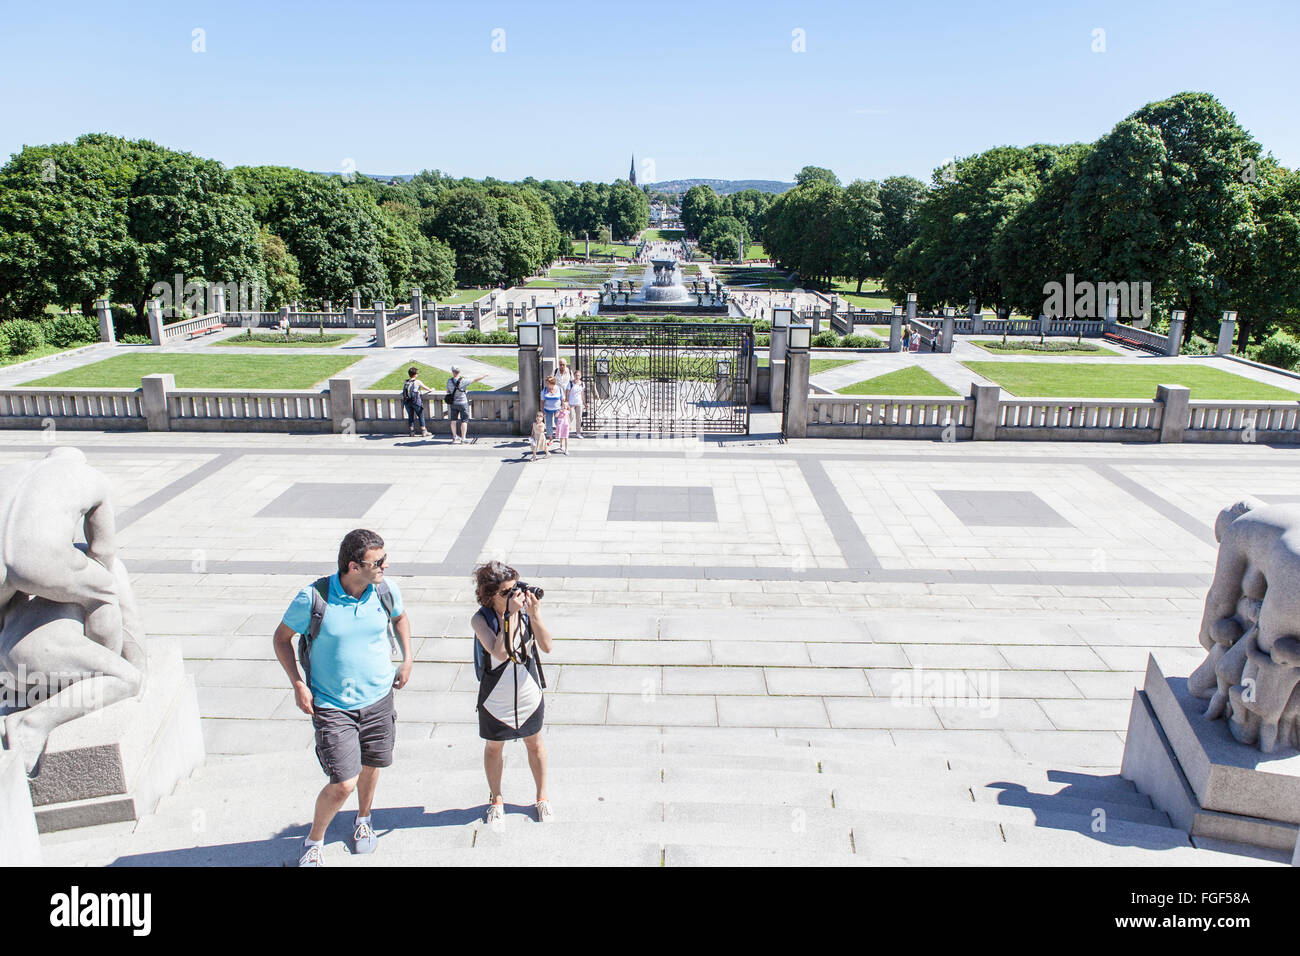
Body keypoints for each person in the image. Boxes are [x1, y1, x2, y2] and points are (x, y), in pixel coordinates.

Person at [272, 529, 413, 867]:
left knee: (371, 765)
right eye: (378, 562)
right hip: (333, 705)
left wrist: (408, 658)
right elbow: (281, 638)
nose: (385, 566)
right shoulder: (313, 598)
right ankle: (314, 840)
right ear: (353, 566)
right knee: (343, 783)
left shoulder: (384, 590)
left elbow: (400, 618)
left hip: (379, 698)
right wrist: (298, 684)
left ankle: (363, 820)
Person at [470, 561, 554, 823]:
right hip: (496, 698)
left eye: (515, 588)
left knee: (535, 744)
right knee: (494, 748)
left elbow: (547, 646)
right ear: (490, 595)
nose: (514, 595)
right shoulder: (480, 619)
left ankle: (542, 797)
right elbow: (499, 652)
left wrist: (535, 615)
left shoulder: (525, 613)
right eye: (506, 592)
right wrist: (511, 615)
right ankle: (496, 799)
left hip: (528, 693)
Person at [445, 365, 487, 444]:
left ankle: (454, 437)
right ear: (459, 372)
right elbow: (475, 379)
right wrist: (484, 375)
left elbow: (447, 391)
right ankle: (463, 438)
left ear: (452, 372)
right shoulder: (463, 381)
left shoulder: (449, 381)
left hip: (453, 403)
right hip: (463, 403)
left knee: (453, 421)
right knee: (464, 421)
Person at [400, 367, 434, 438]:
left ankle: (412, 432)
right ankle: (424, 431)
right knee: (420, 415)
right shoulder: (417, 382)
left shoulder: (406, 381)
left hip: (407, 402)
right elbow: (426, 388)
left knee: (410, 416)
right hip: (415, 401)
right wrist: (431, 389)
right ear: (415, 374)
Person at [540, 374, 563, 439]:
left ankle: (559, 436)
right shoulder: (544, 390)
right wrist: (542, 410)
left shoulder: (559, 389)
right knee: (548, 424)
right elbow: (542, 401)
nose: (547, 385)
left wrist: (562, 409)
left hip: (557, 409)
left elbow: (563, 400)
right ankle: (550, 438)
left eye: (548, 383)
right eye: (547, 383)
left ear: (553, 383)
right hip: (547, 409)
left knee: (558, 423)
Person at [566, 368, 585, 438]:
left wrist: (584, 402)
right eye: (576, 375)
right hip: (571, 403)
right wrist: (567, 402)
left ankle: (578, 432)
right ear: (574, 376)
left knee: (579, 418)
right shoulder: (570, 383)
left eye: (578, 375)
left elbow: (582, 394)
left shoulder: (582, 383)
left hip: (579, 403)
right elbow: (567, 393)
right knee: (570, 417)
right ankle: (566, 431)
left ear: (580, 376)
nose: (577, 377)